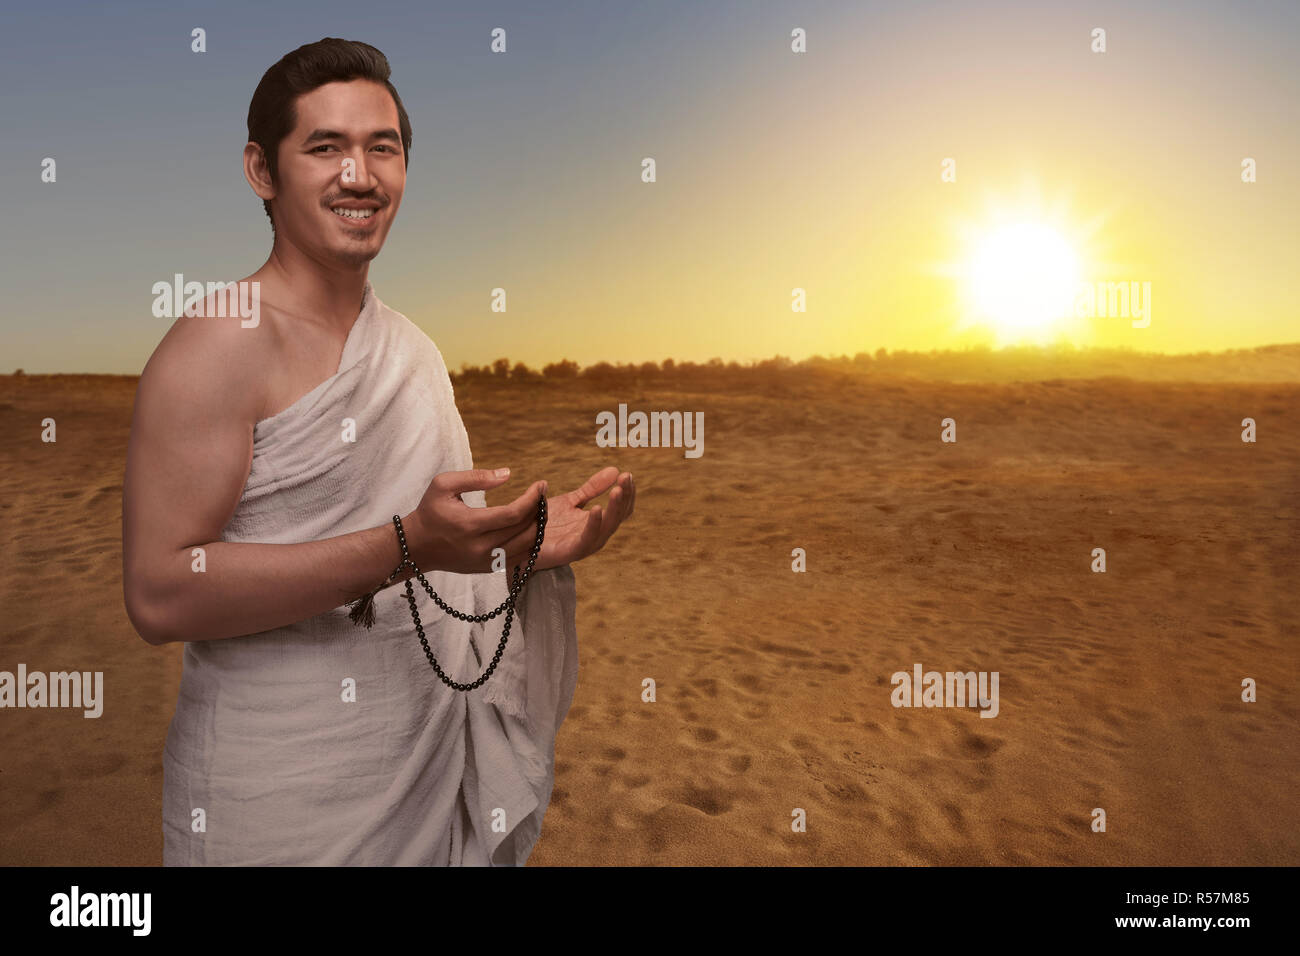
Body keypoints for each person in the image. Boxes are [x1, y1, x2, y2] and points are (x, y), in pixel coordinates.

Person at [121, 37, 634, 865]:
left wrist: (523, 544)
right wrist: (402, 546)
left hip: (416, 767)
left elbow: (442, 563)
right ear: (262, 170)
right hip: (278, 792)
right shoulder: (217, 344)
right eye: (325, 147)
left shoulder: (413, 352)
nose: (359, 176)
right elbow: (160, 594)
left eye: (381, 149)